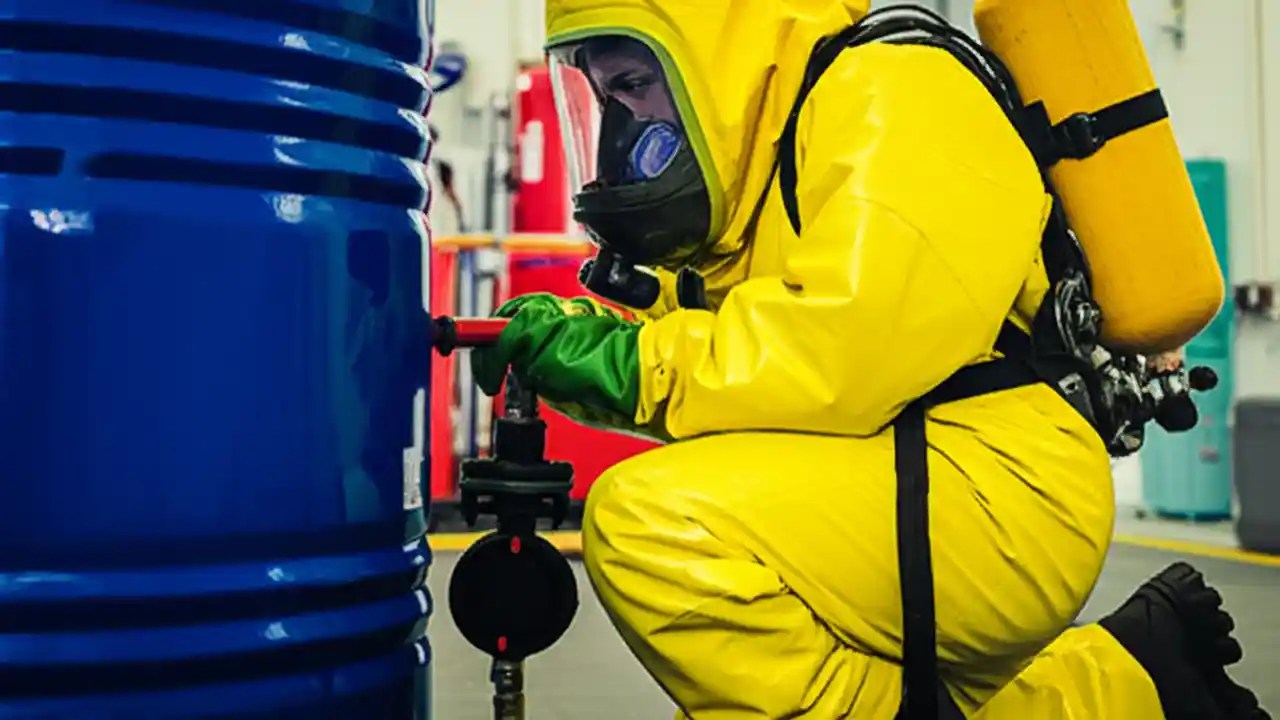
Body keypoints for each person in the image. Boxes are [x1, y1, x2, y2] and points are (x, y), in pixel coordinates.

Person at [471, 2, 1269, 718]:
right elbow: (755, 355)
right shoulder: (772, 172)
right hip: (917, 466)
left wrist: (634, 364)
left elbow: (847, 346)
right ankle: (1128, 685)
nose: (628, 126)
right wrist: (604, 341)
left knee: (655, 523)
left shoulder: (897, 92)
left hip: (995, 484)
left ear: (718, 48)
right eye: (604, 97)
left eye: (637, 84)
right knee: (759, 677)